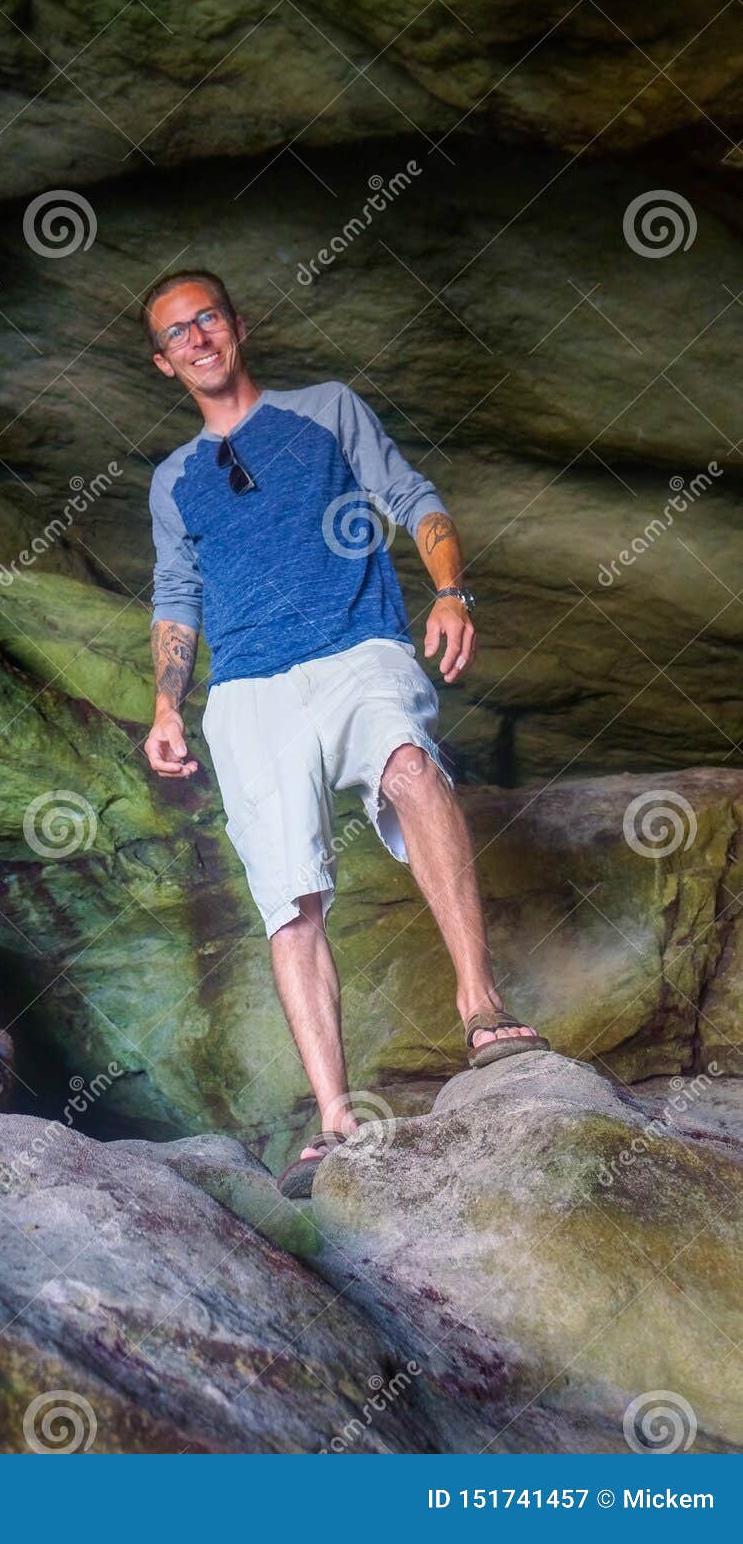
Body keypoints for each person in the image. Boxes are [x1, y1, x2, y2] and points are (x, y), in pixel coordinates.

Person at [141, 270, 548, 1197]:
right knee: (288, 898)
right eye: (176, 333)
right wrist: (166, 706)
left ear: (237, 326)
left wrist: (450, 592)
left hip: (357, 646)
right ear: (163, 363)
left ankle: (481, 1007)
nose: (197, 338)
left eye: (208, 318)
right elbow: (176, 595)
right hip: (247, 688)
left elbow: (411, 496)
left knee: (409, 765)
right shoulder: (172, 481)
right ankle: (333, 1118)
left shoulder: (325, 409)